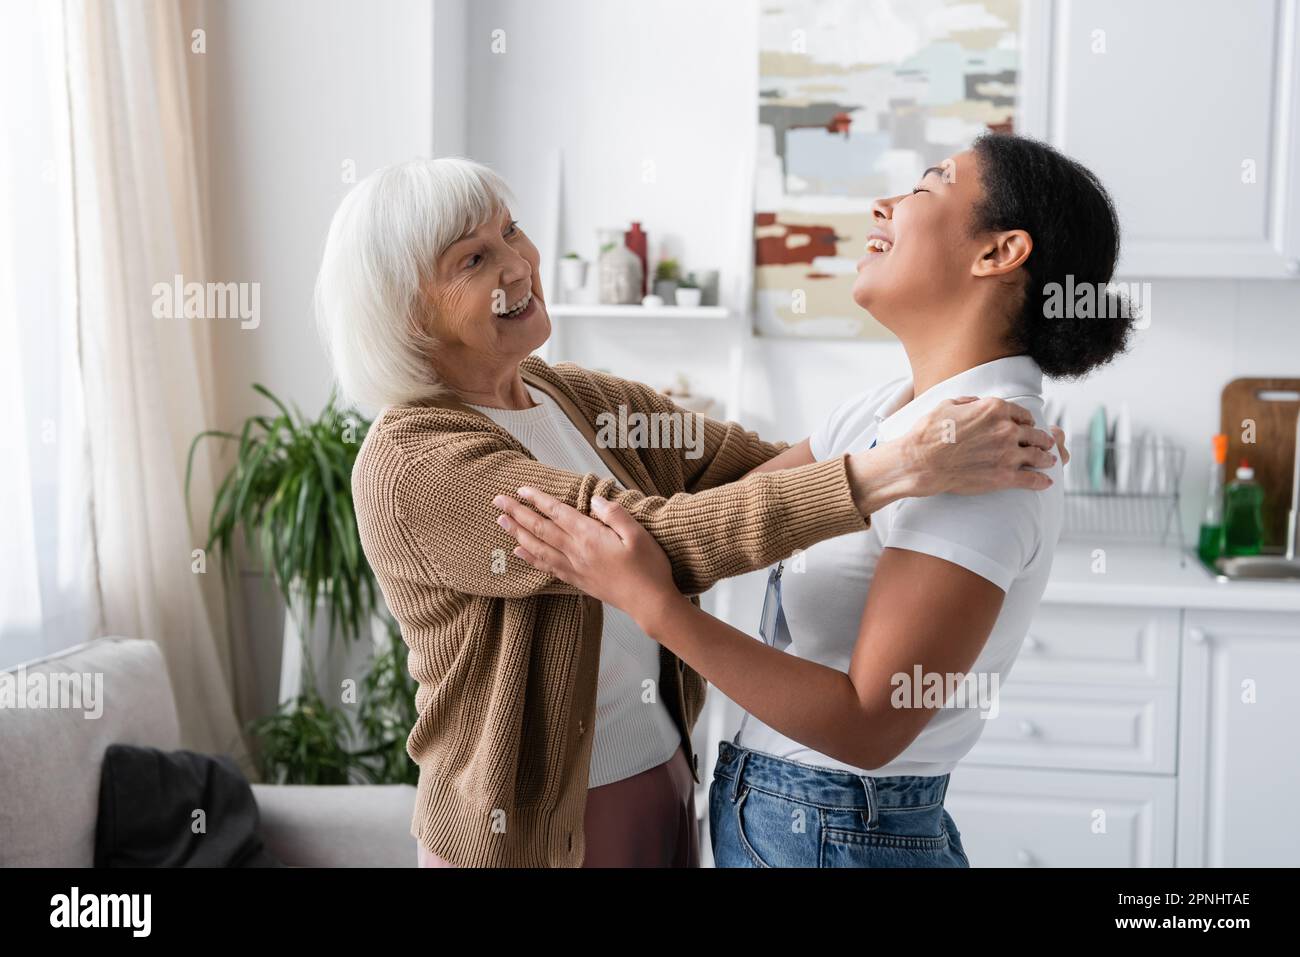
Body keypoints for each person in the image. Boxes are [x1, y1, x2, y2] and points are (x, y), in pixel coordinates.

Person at [314, 153, 1065, 868]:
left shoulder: (573, 396)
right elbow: (643, 544)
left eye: (510, 230)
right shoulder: (415, 463)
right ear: (408, 313)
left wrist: (940, 430)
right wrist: (900, 464)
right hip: (530, 827)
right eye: (472, 259)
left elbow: (746, 476)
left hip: (666, 786)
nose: (517, 263)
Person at [493, 133, 1134, 867]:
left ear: (998, 253)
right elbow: (738, 515)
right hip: (795, 816)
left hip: (834, 828)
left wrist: (657, 608)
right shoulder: (885, 416)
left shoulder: (988, 459)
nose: (884, 203)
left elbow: (869, 726)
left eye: (927, 187)